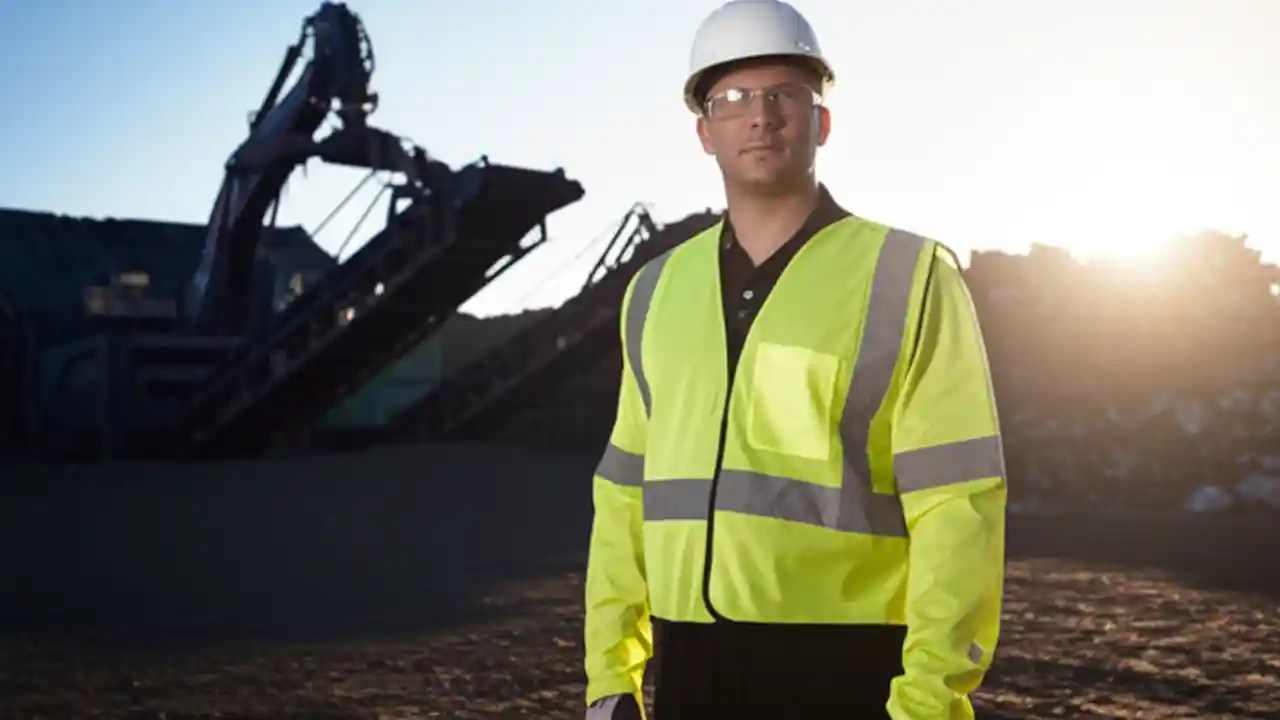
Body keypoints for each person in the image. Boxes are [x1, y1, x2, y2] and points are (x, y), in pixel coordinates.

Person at [582, 1, 1007, 718]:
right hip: (692, 673)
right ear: (704, 131)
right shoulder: (653, 292)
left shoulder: (909, 275)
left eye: (784, 95)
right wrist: (608, 678)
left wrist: (931, 700)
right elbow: (624, 496)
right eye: (735, 99)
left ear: (822, 122)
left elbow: (958, 504)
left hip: (851, 672)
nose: (761, 116)